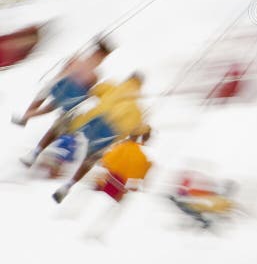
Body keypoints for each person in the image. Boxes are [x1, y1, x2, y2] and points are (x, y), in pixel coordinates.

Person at [51, 73, 148, 203]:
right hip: (110, 132)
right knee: (91, 158)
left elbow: (94, 90)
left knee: (72, 132)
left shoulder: (113, 86)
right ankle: (69, 185)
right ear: (140, 87)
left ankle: (57, 159)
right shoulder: (137, 109)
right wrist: (145, 130)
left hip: (94, 120)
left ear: (128, 79)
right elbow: (138, 130)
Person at [12, 38, 113, 127]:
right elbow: (70, 71)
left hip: (67, 88)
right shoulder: (82, 62)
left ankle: (26, 116)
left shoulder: (89, 68)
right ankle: (25, 117)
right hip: (62, 84)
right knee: (44, 100)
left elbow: (86, 89)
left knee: (46, 103)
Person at [169, 171, 237, 229]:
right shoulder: (215, 196)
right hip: (195, 201)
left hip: (196, 201)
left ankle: (204, 221)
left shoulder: (216, 196)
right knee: (192, 209)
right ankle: (204, 221)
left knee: (191, 208)